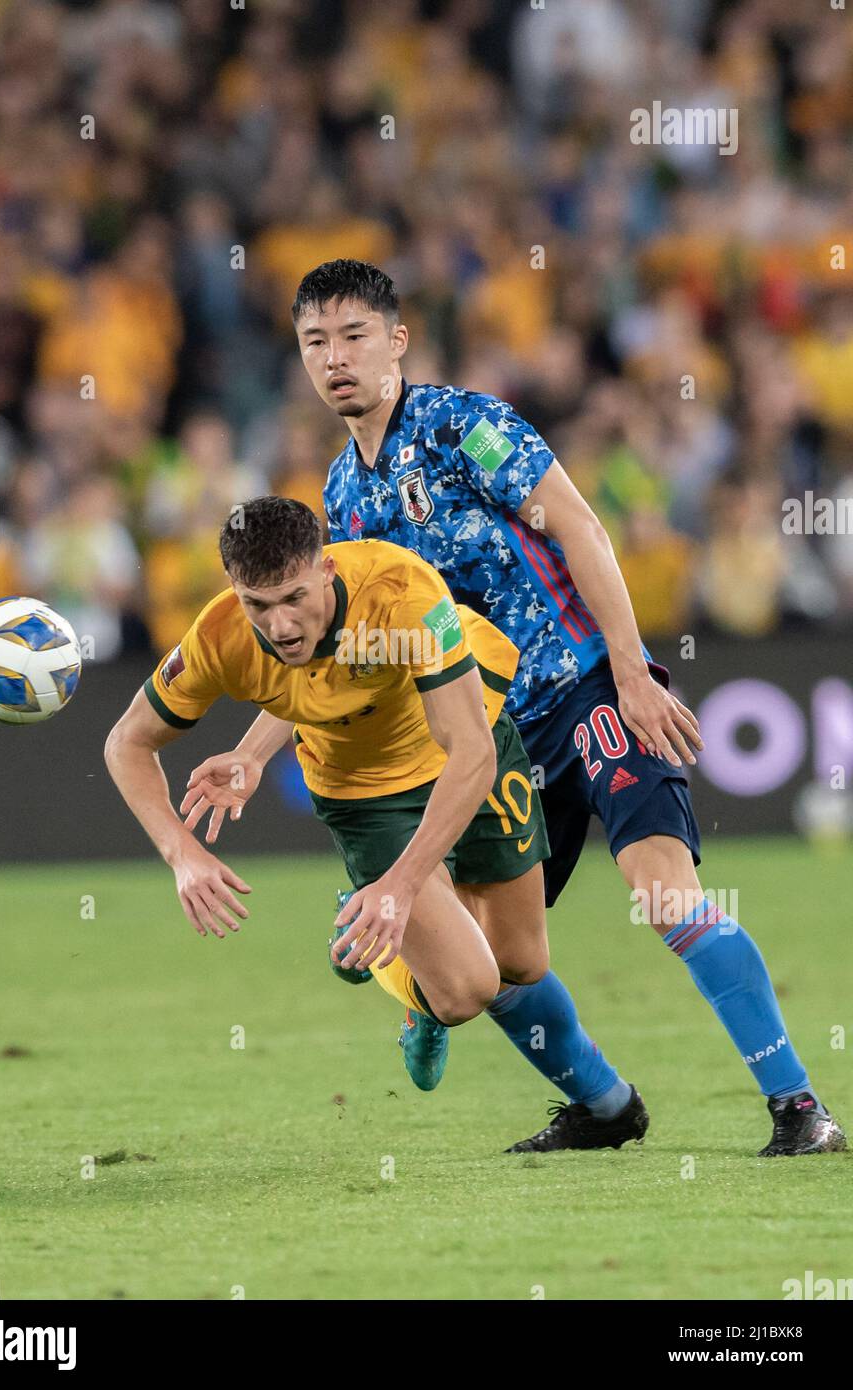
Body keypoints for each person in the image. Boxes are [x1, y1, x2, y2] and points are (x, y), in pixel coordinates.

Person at [291, 258, 845, 1158]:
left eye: (354, 336)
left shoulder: (464, 425)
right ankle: (602, 1105)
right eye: (316, 342)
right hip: (492, 733)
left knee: (665, 896)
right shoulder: (344, 497)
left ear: (397, 340)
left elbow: (579, 526)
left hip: (582, 681)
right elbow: (370, 644)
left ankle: (798, 1109)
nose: (335, 358)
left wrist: (628, 672)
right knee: (495, 959)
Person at [105, 496, 648, 1153]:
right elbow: (127, 743)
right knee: (464, 991)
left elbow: (469, 752)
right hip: (365, 796)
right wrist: (182, 853)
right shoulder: (220, 636)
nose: (278, 625)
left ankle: (366, 917)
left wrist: (400, 887)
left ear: (325, 571)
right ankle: (415, 990)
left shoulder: (399, 595)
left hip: (468, 752)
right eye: (258, 604)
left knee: (523, 963)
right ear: (234, 591)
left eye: (293, 598)